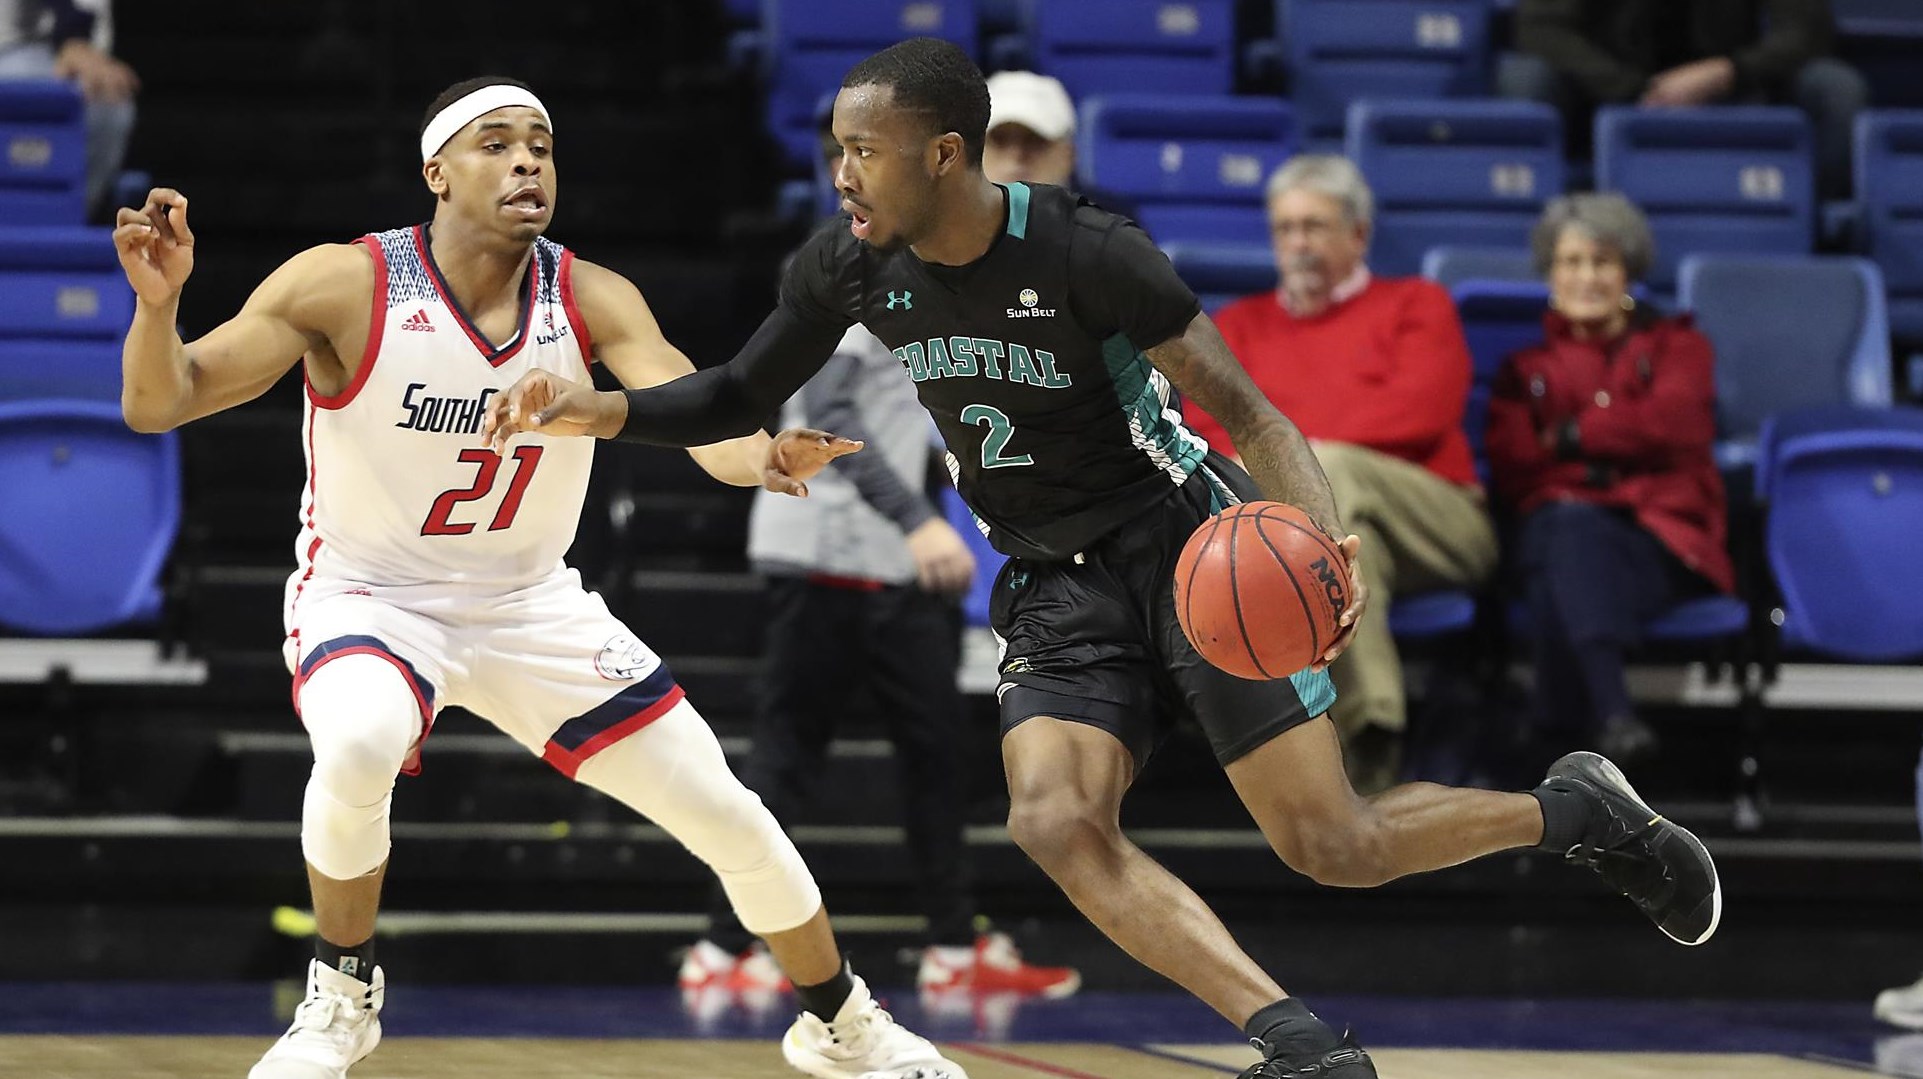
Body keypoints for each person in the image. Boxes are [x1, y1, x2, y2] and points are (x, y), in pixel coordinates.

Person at [483, 40, 1722, 1079]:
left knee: (1332, 843)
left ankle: (1579, 811)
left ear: (944, 154)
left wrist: (1321, 546)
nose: (841, 172)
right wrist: (600, 409)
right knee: (1053, 817)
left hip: (1187, 544)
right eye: (836, 150)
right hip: (1051, 577)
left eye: (865, 150)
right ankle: (1296, 1042)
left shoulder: (1088, 251)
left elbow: (1253, 417)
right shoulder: (847, 261)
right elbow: (734, 393)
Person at [113, 76, 964, 1079]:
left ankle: (841, 1022)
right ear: (436, 172)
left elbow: (698, 412)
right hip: (372, 593)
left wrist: (763, 456)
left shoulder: (589, 296)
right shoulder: (344, 283)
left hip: (530, 602)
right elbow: (161, 402)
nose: (526, 161)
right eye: (497, 144)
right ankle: (339, 998)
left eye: (541, 146)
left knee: (726, 809)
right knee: (360, 737)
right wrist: (158, 308)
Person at [683, 317, 1079, 1000]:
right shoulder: (856, 289)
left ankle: (952, 947)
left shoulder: (907, 296)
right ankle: (723, 947)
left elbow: (894, 421)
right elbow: (828, 419)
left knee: (934, 755)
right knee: (787, 758)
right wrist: (918, 521)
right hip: (830, 558)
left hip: (883, 567)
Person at [1184, 156, 1496, 795]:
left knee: (1331, 473)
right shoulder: (1238, 325)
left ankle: (1338, 731)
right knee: (1349, 536)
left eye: (1315, 226)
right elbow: (1201, 432)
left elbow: (1420, 411)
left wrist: (1291, 453)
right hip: (1328, 535)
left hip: (1439, 521)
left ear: (1358, 234)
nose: (1298, 243)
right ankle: (1369, 742)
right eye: (1286, 228)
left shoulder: (1416, 305)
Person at [1485, 193, 1735, 764]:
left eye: (1601, 262)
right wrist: (1621, 458)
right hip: (1565, 534)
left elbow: (1675, 424)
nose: (1586, 277)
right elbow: (1516, 467)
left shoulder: (1679, 346)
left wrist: (1571, 439)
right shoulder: (1524, 370)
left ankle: (1554, 729)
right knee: (1566, 530)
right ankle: (1612, 716)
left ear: (1628, 272)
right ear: (1550, 274)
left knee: (1559, 546)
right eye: (1570, 262)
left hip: (1660, 542)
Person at [1502, 0, 1869, 198]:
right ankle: (1537, 221)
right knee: (1526, 78)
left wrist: (1728, 72)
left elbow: (1807, 31)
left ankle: (1824, 229)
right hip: (1606, 96)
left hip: (1733, 94)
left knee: (1836, 87)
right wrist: (1634, 88)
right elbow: (1540, 28)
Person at [0, 0, 137, 218]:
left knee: (109, 102)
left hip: (81, 51)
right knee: (24, 83)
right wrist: (72, 35)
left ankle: (67, 226)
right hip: (14, 47)